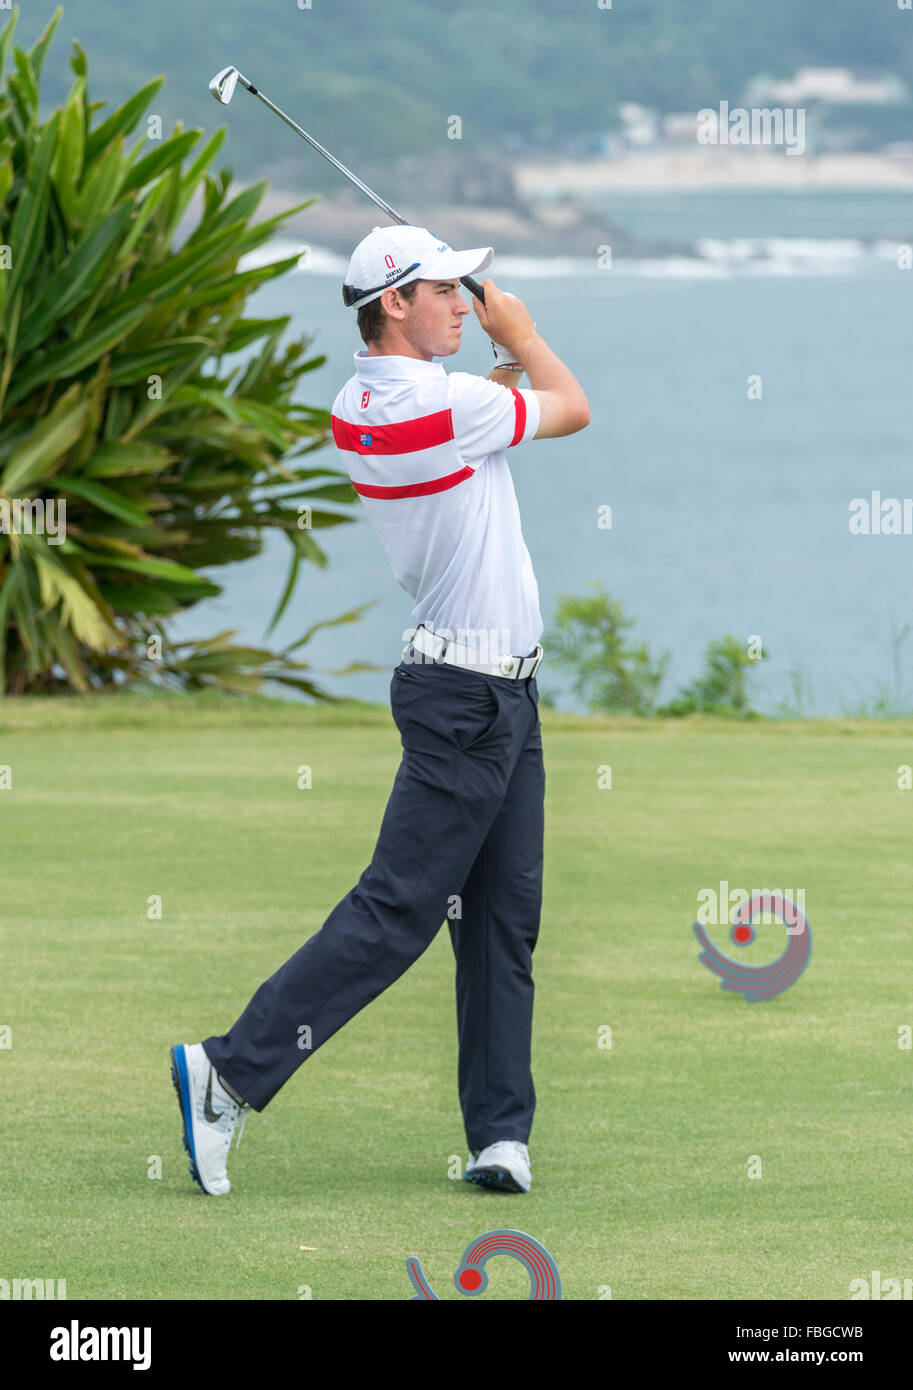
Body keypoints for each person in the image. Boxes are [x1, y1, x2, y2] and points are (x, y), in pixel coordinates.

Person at [170, 225, 590, 1196]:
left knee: (499, 918)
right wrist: (522, 337)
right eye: (446, 287)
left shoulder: (360, 401)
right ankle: (228, 1073)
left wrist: (488, 378)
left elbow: (473, 427)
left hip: (495, 691)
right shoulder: (445, 405)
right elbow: (571, 408)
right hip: (468, 698)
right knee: (398, 907)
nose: (465, 300)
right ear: (393, 303)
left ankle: (498, 1134)